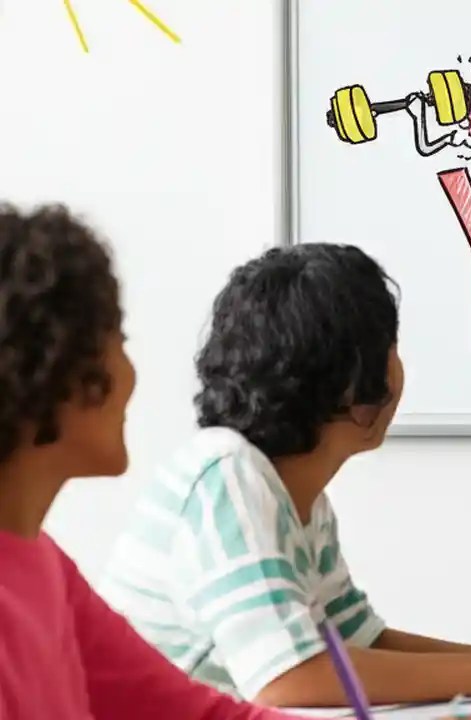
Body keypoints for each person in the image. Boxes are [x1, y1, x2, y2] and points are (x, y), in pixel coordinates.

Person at [99, 243, 471, 707]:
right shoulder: (228, 479)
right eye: (392, 350)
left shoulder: (297, 499)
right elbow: (290, 676)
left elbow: (354, 643)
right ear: (360, 382)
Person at [0, 202, 307, 718]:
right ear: (51, 364)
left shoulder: (46, 567)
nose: (130, 372)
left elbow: (202, 715)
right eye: (118, 341)